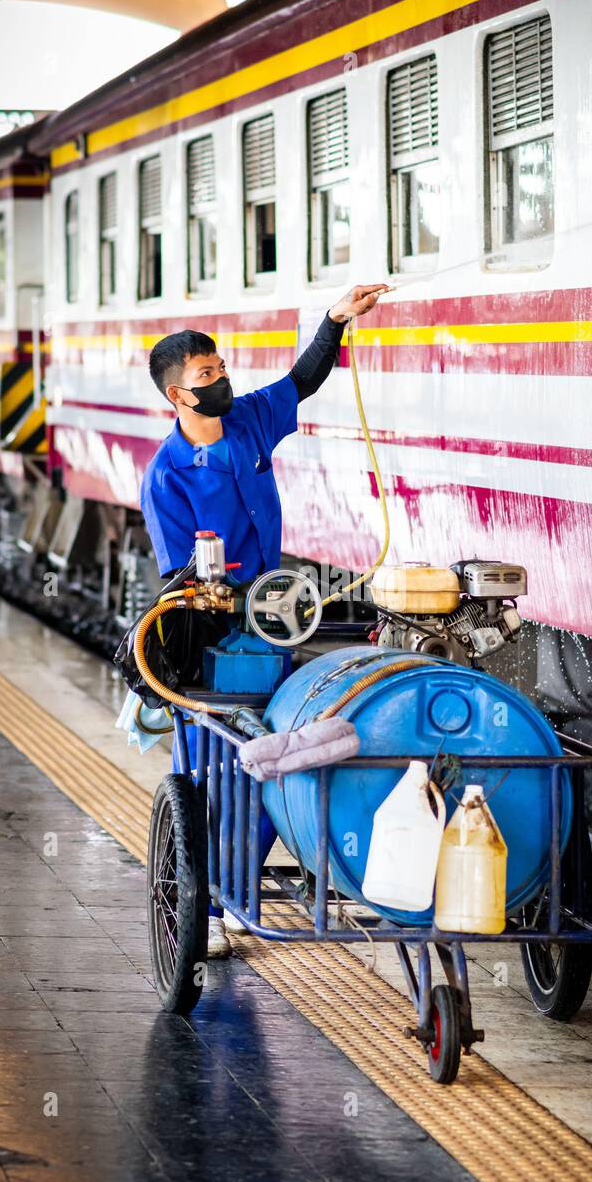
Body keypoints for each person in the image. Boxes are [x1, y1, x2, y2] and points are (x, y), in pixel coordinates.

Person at [140, 284, 388, 955]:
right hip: (208, 631)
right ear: (178, 397)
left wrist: (335, 321)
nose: (221, 381)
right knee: (210, 768)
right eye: (205, 376)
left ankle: (232, 886)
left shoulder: (248, 418)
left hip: (269, 621)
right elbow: (175, 577)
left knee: (267, 756)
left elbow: (302, 380)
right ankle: (206, 906)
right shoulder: (166, 475)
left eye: (219, 369)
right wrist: (213, 600)